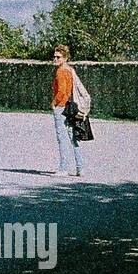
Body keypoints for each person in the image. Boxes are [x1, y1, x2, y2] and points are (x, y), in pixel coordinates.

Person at [51, 45, 84, 177]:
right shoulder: (70, 70)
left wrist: (54, 104)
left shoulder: (61, 71)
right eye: (54, 56)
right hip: (71, 107)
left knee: (62, 138)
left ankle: (63, 168)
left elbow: (62, 92)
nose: (55, 59)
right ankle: (80, 167)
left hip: (62, 107)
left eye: (58, 57)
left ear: (65, 58)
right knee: (73, 137)